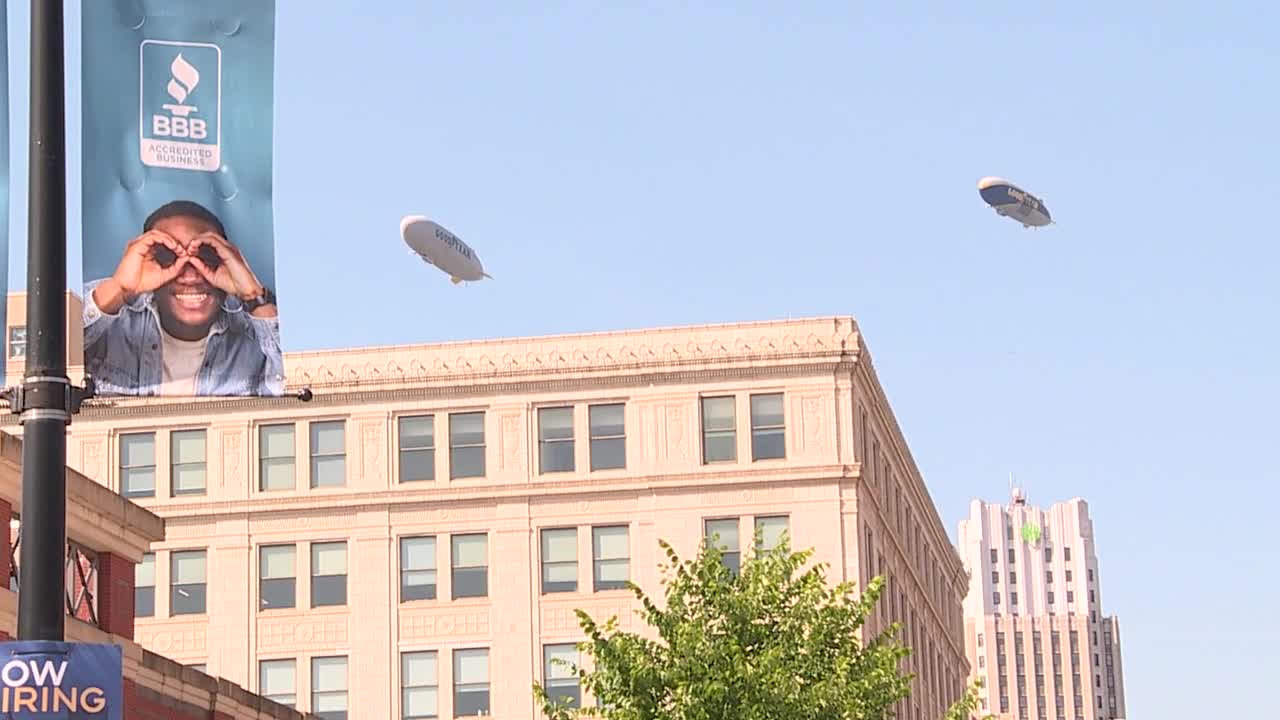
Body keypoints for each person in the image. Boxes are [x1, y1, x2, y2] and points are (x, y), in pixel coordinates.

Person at [83, 199, 283, 396]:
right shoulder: (114, 324)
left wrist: (254, 297)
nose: (190, 277)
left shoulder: (255, 335)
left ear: (228, 261)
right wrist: (120, 288)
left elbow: (302, 387)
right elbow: (55, 351)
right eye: (167, 258)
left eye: (206, 257)